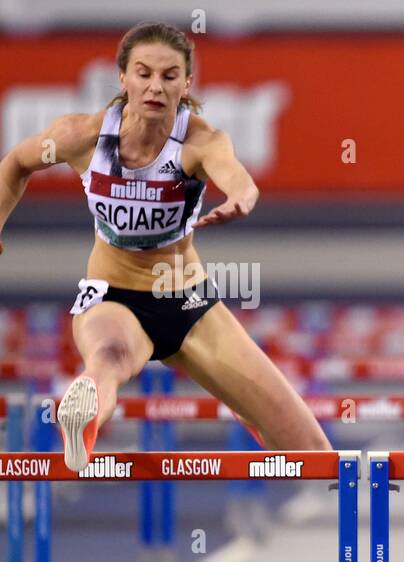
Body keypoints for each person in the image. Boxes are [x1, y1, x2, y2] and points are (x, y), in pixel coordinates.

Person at [0, 22, 329, 471]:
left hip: (190, 304)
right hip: (112, 297)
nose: (156, 86)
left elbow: (235, 175)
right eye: (144, 73)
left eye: (170, 76)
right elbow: (17, 162)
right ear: (123, 78)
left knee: (313, 452)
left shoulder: (199, 141)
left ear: (187, 83)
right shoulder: (83, 137)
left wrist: (242, 198)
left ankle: (271, 429)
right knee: (109, 359)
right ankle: (83, 414)